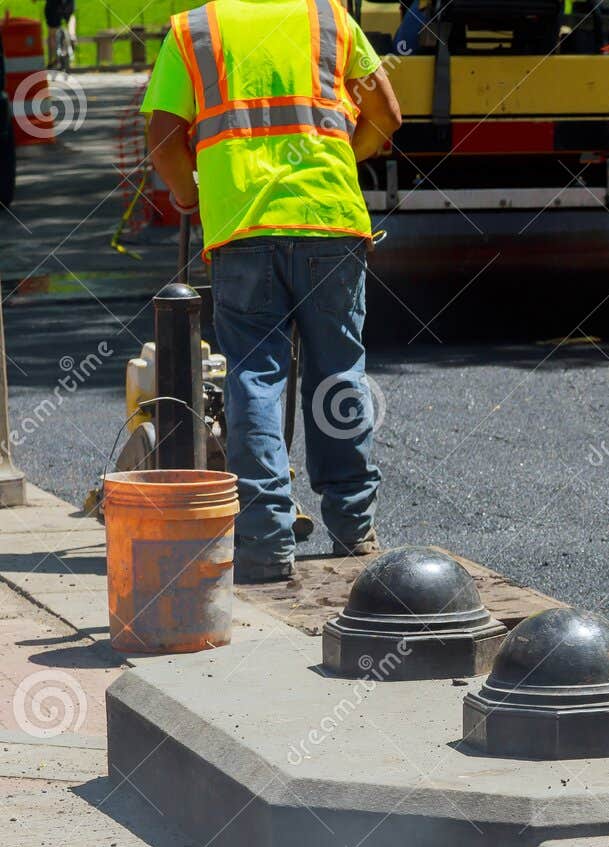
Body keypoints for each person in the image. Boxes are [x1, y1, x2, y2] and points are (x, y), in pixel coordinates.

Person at [141, 0, 402, 583]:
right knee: (338, 374)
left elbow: (162, 137)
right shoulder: (329, 18)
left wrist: (189, 194)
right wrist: (340, 157)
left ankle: (263, 545)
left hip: (243, 230)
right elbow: (386, 115)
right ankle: (354, 529)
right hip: (329, 221)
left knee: (254, 376)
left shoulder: (194, 31)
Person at [43, 0, 75, 71]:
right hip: (68, 6)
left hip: (53, 9)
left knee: (52, 35)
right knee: (70, 18)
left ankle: (52, 60)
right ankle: (72, 36)